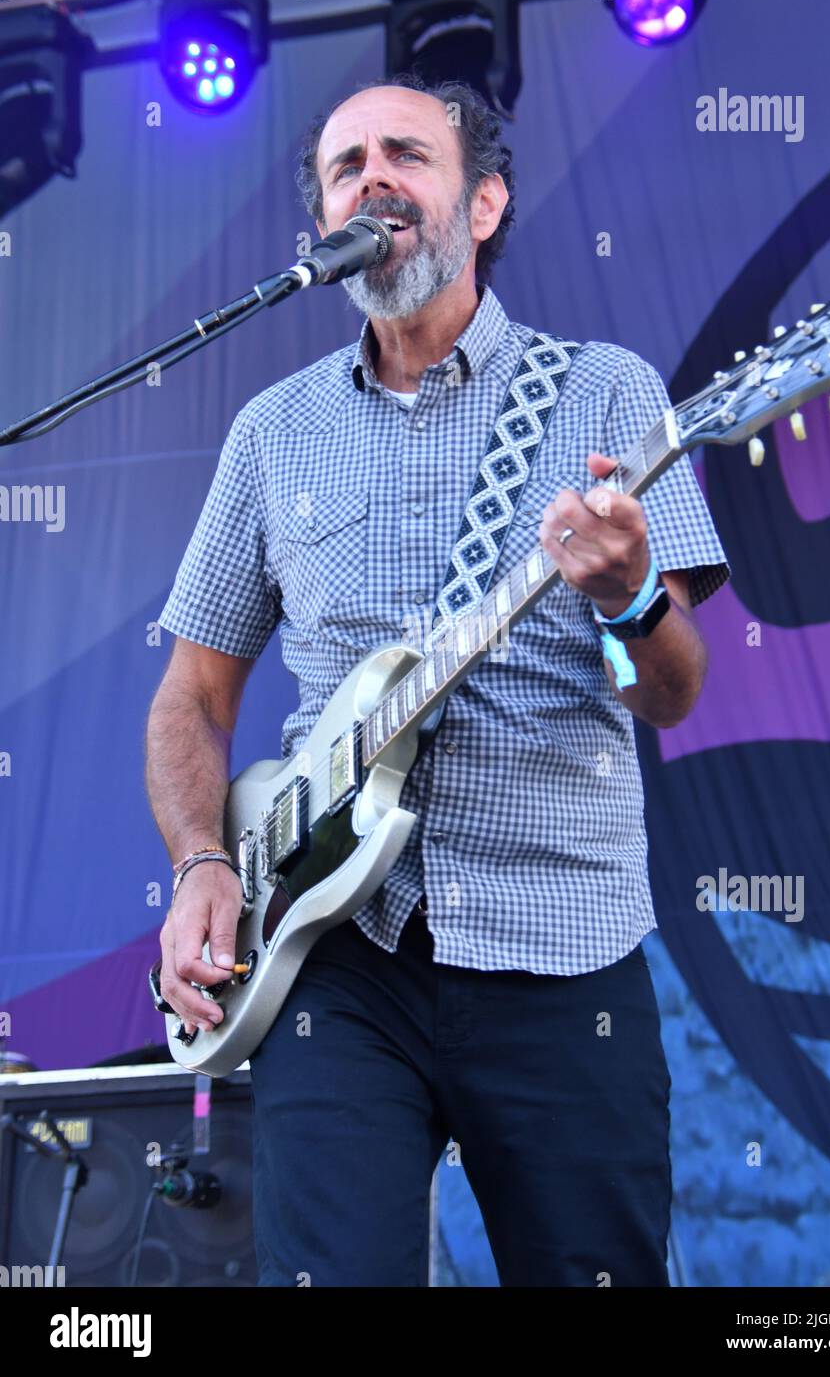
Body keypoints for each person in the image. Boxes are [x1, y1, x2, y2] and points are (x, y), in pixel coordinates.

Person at [146, 73, 730, 1287]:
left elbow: (671, 691)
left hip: (558, 942)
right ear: (321, 228)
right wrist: (205, 860)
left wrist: (622, 595)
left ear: (484, 202)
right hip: (332, 950)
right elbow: (193, 696)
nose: (373, 179)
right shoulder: (272, 430)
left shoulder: (603, 392)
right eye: (345, 167)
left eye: (405, 154)